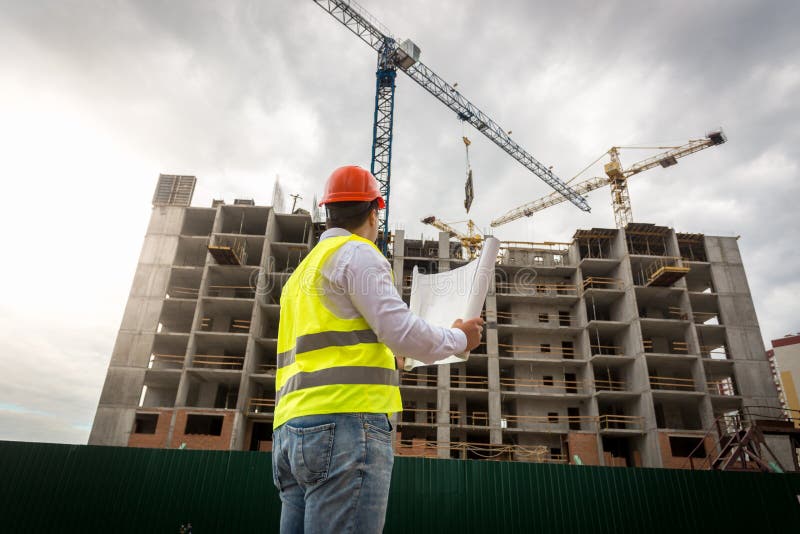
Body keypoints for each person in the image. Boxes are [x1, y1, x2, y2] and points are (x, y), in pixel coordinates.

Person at [271, 165, 484, 533]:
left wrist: (391, 357)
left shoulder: (301, 274)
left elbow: (333, 345)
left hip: (290, 433)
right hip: (345, 426)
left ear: (327, 212)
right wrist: (461, 338)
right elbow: (399, 329)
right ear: (374, 212)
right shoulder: (358, 254)